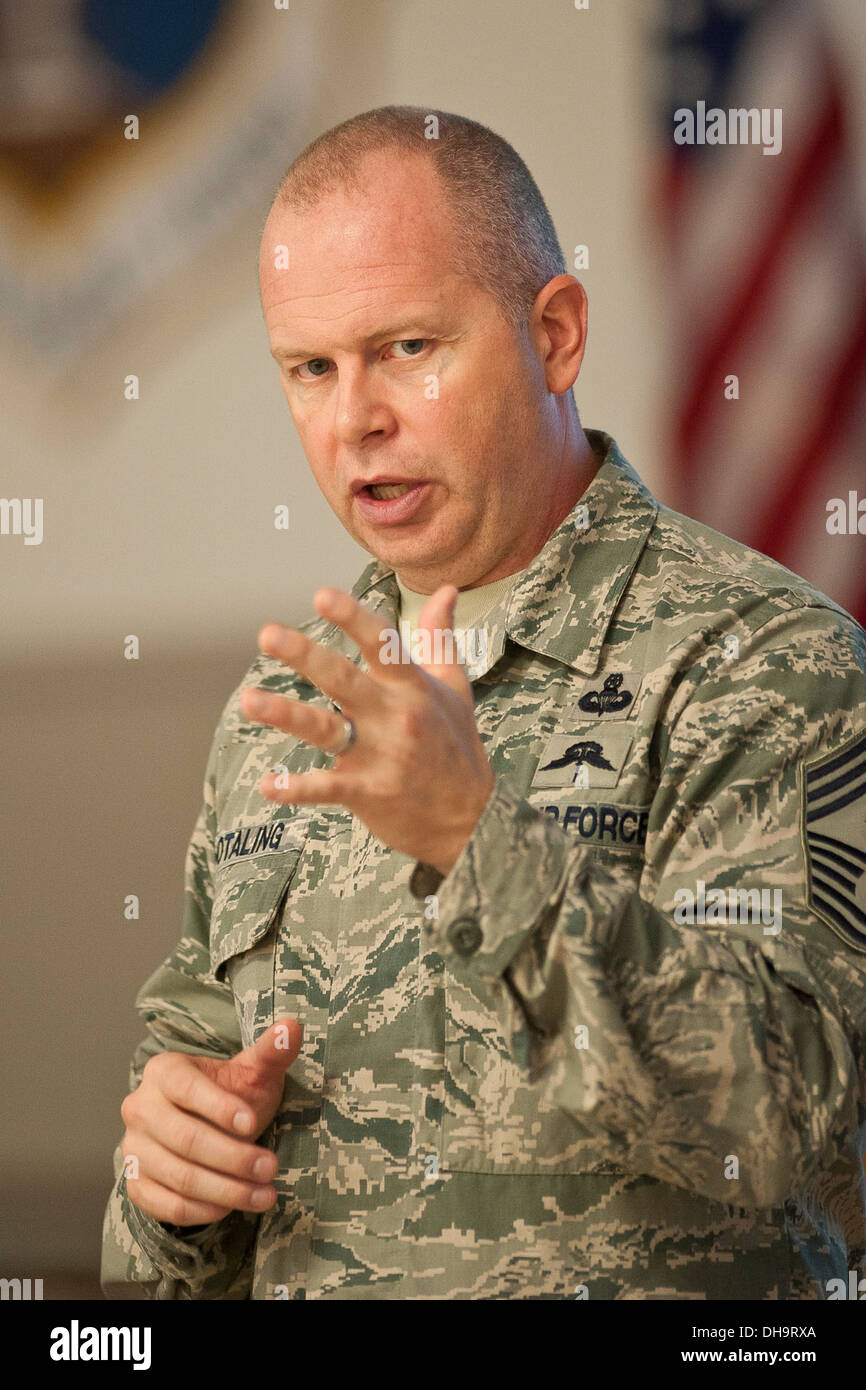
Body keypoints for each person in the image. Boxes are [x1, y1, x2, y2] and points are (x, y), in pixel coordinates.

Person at [101, 105, 866, 1301]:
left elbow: (785, 1122)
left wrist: (477, 841)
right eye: (310, 368)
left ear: (554, 336)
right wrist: (166, 1186)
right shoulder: (279, 705)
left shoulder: (765, 660)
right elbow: (167, 1227)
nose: (354, 417)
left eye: (406, 347)